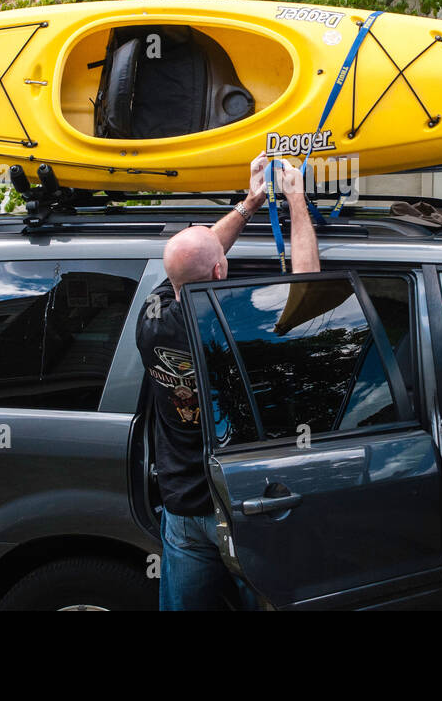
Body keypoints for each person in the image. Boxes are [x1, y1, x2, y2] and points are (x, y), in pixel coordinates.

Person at [137, 153, 319, 611]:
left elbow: (189, 259)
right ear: (221, 271)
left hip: (181, 509)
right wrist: (294, 200)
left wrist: (249, 204)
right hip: (241, 507)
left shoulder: (152, 318)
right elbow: (309, 293)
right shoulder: (237, 327)